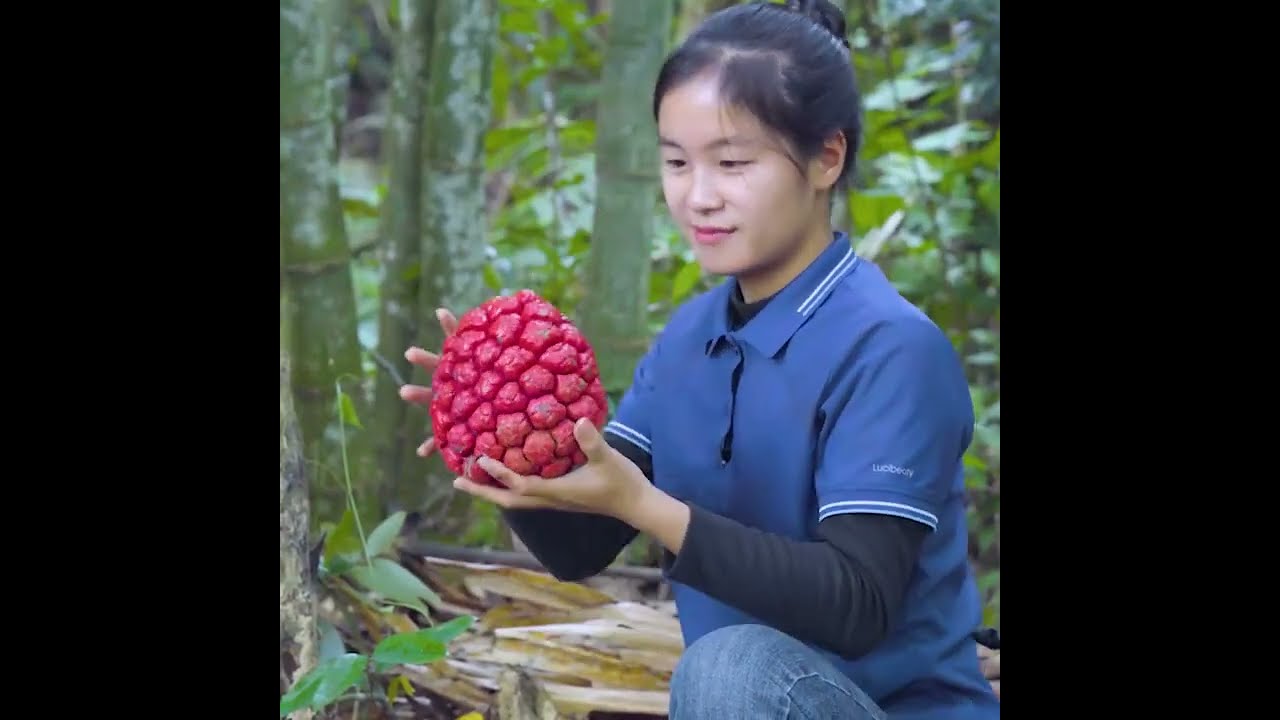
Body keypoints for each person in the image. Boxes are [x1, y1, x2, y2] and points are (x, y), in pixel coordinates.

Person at [399, 1, 1000, 718]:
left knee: (729, 666)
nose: (699, 196)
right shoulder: (690, 338)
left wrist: (649, 505)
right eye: (677, 162)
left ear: (826, 157)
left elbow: (857, 604)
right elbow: (581, 545)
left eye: (733, 163)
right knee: (726, 670)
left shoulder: (892, 349)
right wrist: (498, 438)